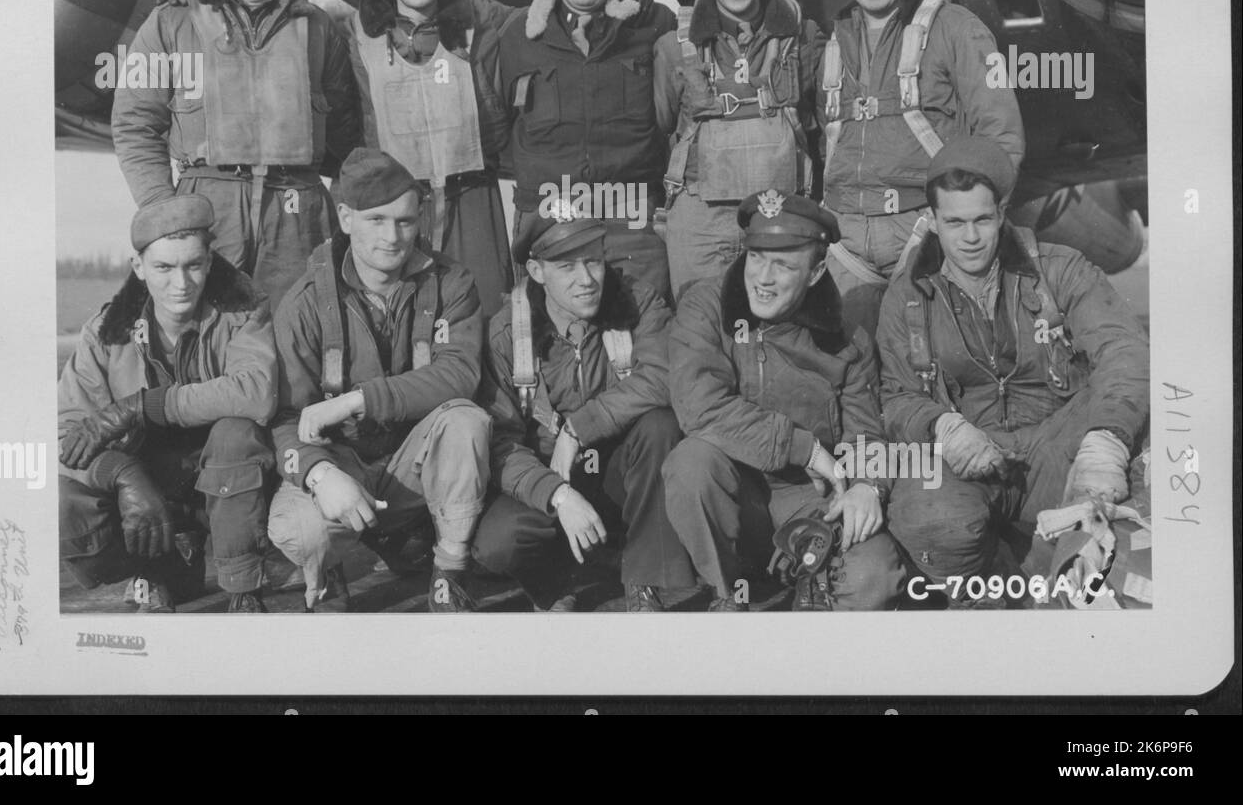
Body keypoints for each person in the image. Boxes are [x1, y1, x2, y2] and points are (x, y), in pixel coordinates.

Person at [876, 138, 1150, 604]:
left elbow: (1124, 351)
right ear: (934, 221)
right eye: (954, 222)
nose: (969, 238)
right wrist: (941, 425)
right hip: (967, 454)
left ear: (1002, 213)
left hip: (1056, 441)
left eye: (982, 220)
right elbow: (896, 394)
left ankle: (1068, 590)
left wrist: (1106, 440)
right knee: (930, 518)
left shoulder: (1060, 270)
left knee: (1144, 448)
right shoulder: (907, 296)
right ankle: (988, 601)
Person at [266, 148, 496, 612]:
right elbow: (287, 417)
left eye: (405, 221)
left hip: (415, 459)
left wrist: (358, 400)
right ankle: (329, 576)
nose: (393, 237)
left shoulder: (452, 283)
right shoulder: (305, 302)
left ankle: (448, 574)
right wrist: (319, 472)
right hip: (344, 460)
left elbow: (460, 374)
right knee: (299, 529)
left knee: (466, 420)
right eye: (376, 220)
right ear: (345, 218)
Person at [112, 0, 361, 307]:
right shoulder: (172, 22)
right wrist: (166, 213)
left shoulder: (316, 28)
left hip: (296, 213)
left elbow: (346, 136)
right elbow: (135, 124)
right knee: (206, 339)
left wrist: (343, 211)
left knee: (297, 340)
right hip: (207, 209)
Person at [663, 190, 905, 611]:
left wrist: (868, 485)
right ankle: (726, 593)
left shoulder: (848, 337)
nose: (762, 277)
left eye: (783, 265)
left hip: (809, 499)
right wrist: (805, 448)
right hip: (734, 491)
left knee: (874, 580)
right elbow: (700, 406)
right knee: (690, 464)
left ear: (815, 272)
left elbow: (866, 432)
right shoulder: (705, 305)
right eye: (756, 257)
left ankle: (812, 611)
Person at [810, 0, 1024, 339]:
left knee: (937, 366)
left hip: (925, 228)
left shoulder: (958, 29)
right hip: (846, 241)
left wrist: (969, 226)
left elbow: (1001, 134)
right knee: (852, 373)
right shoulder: (830, 43)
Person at [58, 195, 278, 612]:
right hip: (152, 490)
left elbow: (256, 392)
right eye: (163, 267)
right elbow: (65, 435)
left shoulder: (242, 313)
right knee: (64, 501)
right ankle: (158, 564)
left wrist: (145, 405)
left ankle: (244, 586)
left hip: (231, 487)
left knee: (238, 433)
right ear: (139, 268)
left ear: (210, 262)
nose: (181, 283)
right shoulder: (105, 333)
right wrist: (120, 474)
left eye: (193, 265)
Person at [471, 203, 695, 611]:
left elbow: (666, 376)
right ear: (537, 272)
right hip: (549, 477)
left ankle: (644, 579)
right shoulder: (505, 333)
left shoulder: (636, 302)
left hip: (617, 472)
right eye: (567, 268)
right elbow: (500, 443)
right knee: (496, 542)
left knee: (660, 425)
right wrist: (556, 494)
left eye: (594, 261)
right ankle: (554, 587)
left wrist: (579, 428)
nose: (587, 279)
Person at [497, 0, 676, 303]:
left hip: (632, 215)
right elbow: (496, 123)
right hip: (549, 215)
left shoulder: (655, 25)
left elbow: (676, 115)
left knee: (643, 326)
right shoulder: (517, 37)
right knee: (555, 339)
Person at [342, 0, 517, 319]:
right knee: (403, 319)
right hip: (398, 205)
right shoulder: (356, 33)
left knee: (487, 313)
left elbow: (549, 11)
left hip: (471, 195)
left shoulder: (482, 18)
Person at [654, 0, 823, 300]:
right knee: (701, 329)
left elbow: (823, 128)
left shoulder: (804, 39)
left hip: (780, 212)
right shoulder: (672, 48)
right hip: (701, 219)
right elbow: (658, 126)